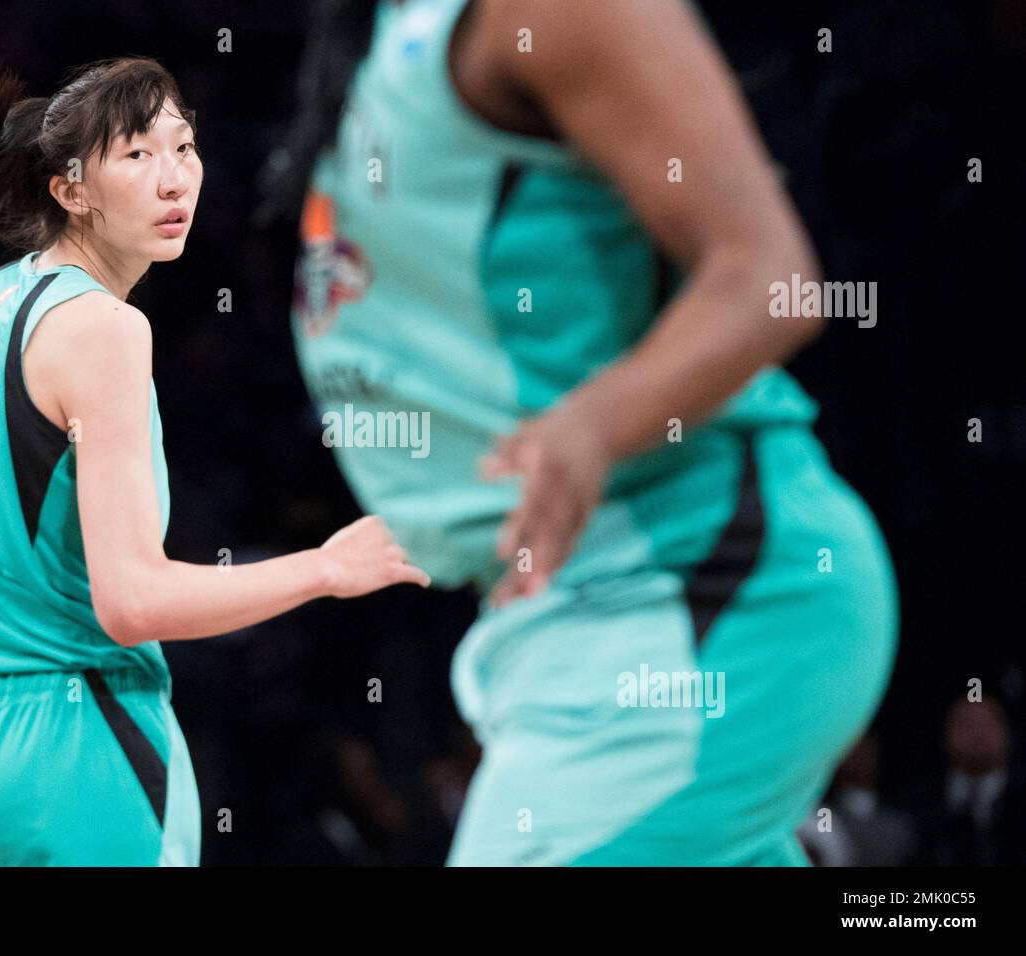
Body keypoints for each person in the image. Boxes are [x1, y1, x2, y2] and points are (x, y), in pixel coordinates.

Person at [260, 0, 899, 865]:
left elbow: (768, 274)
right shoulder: (382, 39)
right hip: (567, 610)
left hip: (698, 581)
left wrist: (599, 421)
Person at [0, 56, 430, 867]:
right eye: (136, 154)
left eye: (184, 147)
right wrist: (326, 568)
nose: (175, 180)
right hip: (78, 753)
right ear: (69, 189)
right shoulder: (106, 330)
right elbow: (130, 602)